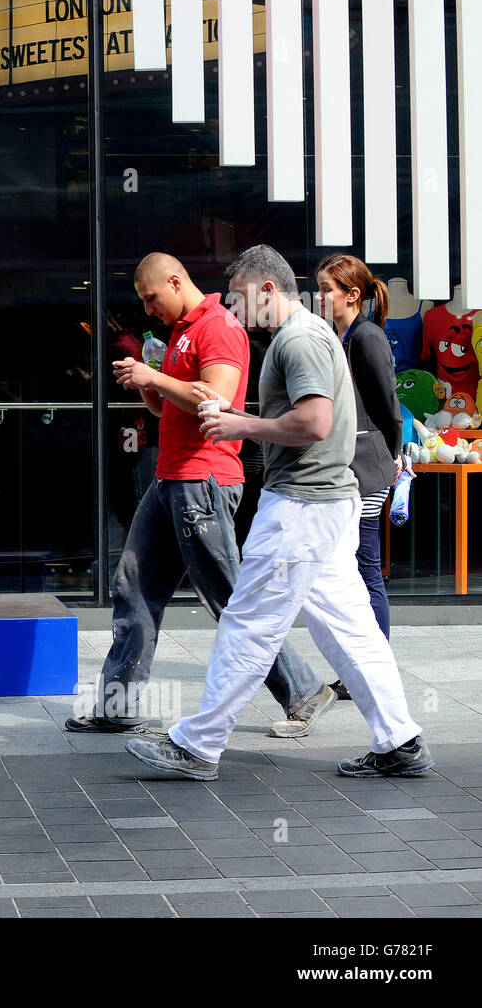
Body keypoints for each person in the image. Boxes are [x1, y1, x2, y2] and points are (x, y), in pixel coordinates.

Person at [126, 244, 432, 781]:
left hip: (301, 506)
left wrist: (243, 427)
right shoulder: (309, 335)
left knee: (249, 623)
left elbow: (313, 422)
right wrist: (243, 416)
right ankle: (401, 740)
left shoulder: (299, 339)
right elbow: (307, 419)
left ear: (268, 289)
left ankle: (198, 746)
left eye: (242, 298)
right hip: (324, 503)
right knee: (349, 628)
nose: (237, 310)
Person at [68, 253, 333, 736]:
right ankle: (117, 706)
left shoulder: (218, 326)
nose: (149, 309)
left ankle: (303, 689)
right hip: (174, 477)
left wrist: (155, 377)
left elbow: (217, 398)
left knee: (229, 596)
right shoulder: (181, 331)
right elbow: (168, 403)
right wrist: (147, 381)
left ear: (175, 281)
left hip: (203, 479)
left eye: (152, 298)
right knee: (135, 586)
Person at [316, 253, 402, 645]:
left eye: (325, 290)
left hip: (369, 466)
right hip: (353, 465)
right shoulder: (342, 337)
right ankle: (363, 660)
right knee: (352, 566)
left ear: (352, 295)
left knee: (365, 565)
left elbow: (387, 404)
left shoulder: (367, 337)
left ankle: (375, 661)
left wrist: (395, 454)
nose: (319, 297)